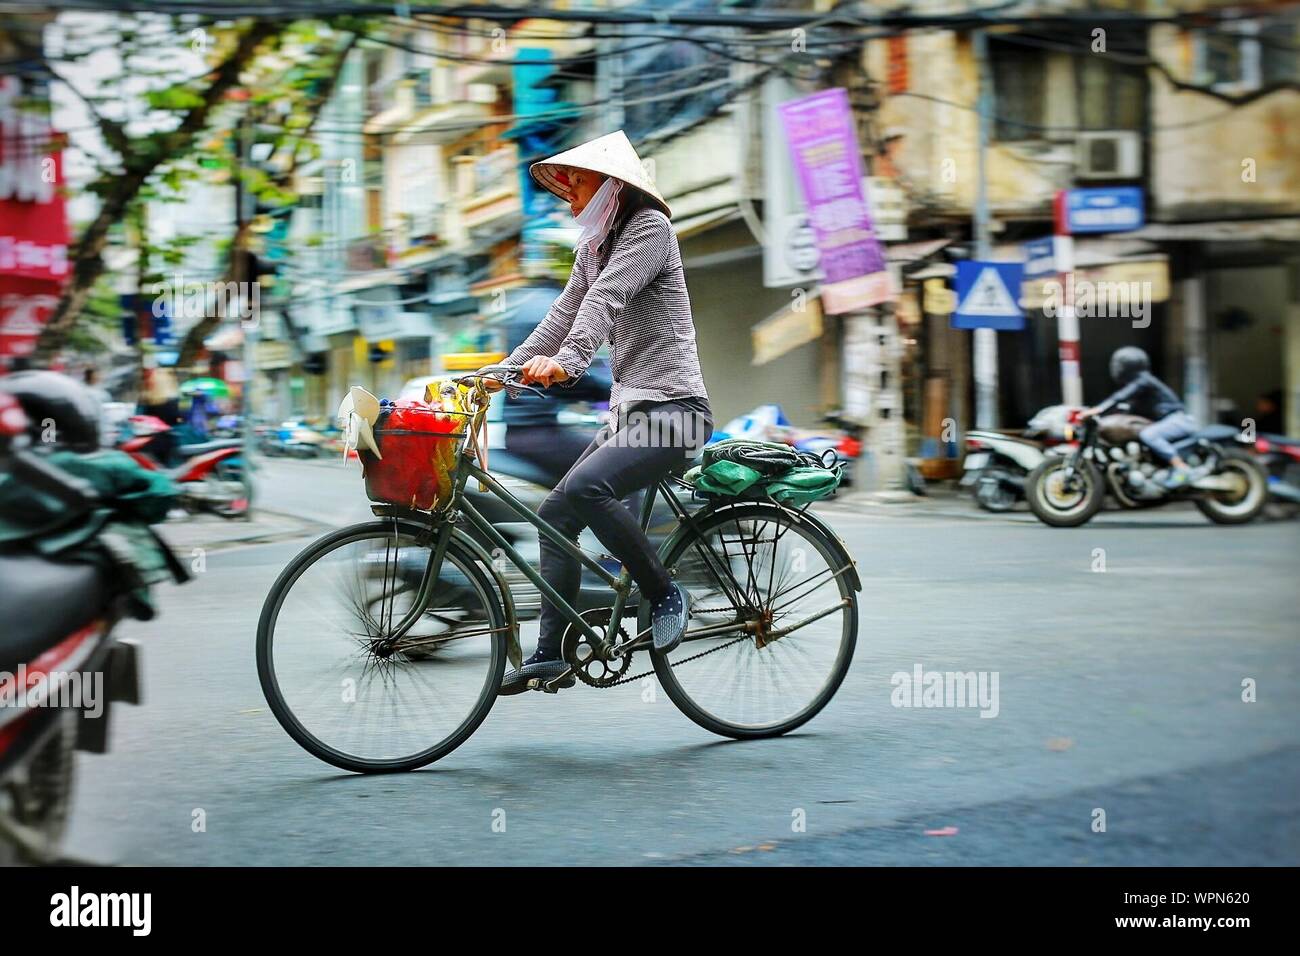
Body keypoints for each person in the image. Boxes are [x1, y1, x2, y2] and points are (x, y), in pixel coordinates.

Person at [486, 129, 714, 694]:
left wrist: (569, 362)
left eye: (578, 185)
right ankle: (548, 653)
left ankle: (665, 594)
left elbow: (602, 302)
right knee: (557, 512)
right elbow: (561, 315)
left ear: (612, 187)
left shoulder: (650, 231)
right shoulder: (592, 248)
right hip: (629, 416)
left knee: (588, 491)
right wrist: (500, 373)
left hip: (677, 411)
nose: (568, 197)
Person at [1079, 346, 1203, 489]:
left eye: (1118, 365)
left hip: (1177, 420)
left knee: (1148, 434)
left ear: (1128, 365)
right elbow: (1123, 407)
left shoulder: (1144, 381)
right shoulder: (1139, 387)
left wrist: (1098, 409)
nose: (1116, 368)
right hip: (1168, 421)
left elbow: (1120, 397)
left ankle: (1181, 467)